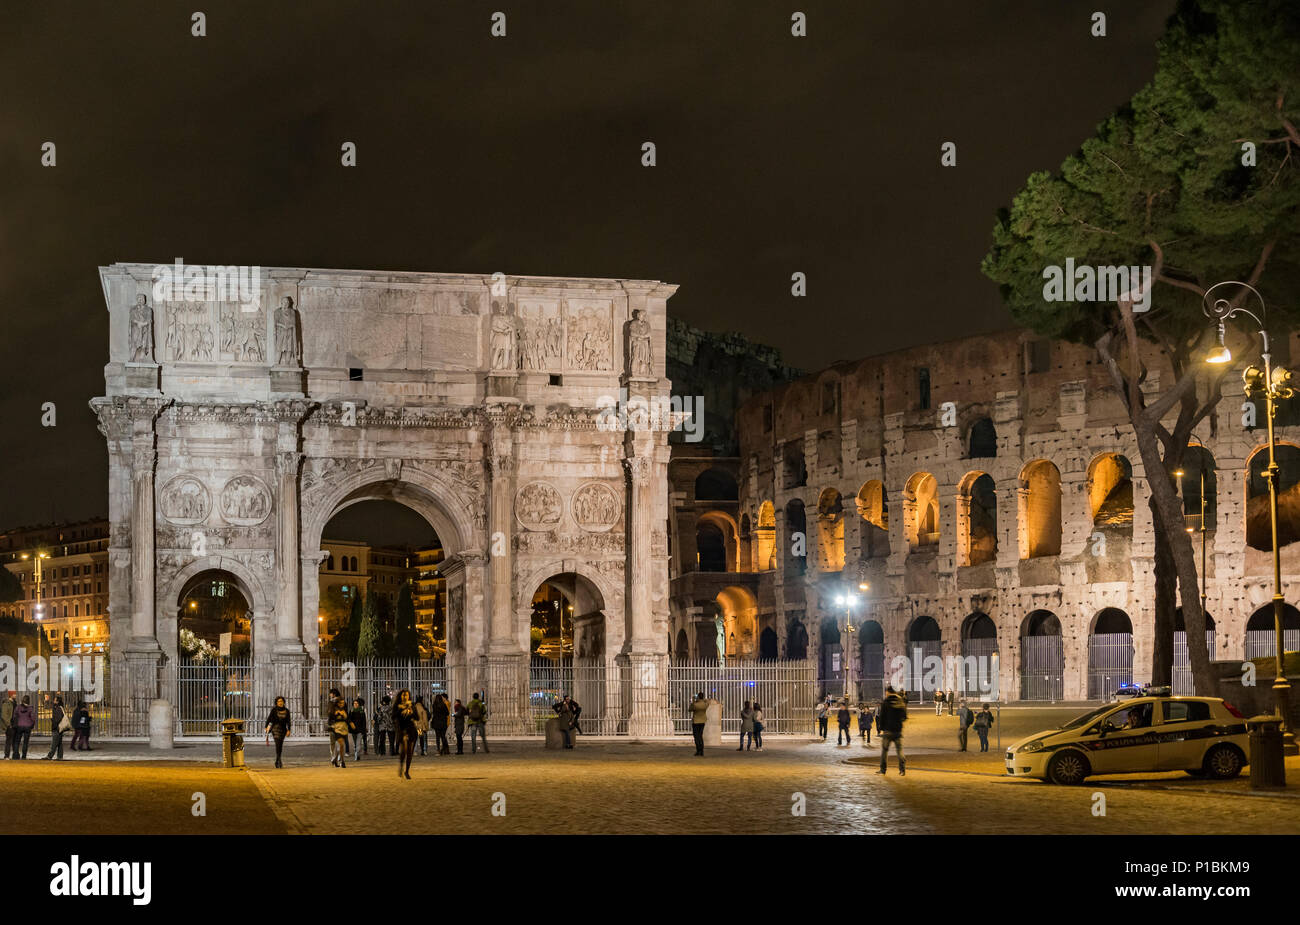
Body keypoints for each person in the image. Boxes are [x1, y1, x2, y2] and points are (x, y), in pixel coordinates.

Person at [877, 685, 907, 776]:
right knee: (899, 750)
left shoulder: (886, 702)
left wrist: (881, 728)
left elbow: (882, 716)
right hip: (897, 730)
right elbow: (904, 716)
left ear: (888, 692)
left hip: (888, 730)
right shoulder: (900, 701)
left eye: (886, 692)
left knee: (884, 750)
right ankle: (902, 769)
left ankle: (883, 769)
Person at [393, 689, 418, 779]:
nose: (405, 697)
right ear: (400, 696)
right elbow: (393, 716)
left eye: (406, 695)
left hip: (411, 729)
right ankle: (401, 765)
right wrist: (401, 710)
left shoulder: (412, 705)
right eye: (403, 695)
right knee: (404, 750)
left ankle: (407, 771)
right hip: (402, 730)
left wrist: (411, 712)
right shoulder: (397, 706)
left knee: (410, 752)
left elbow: (417, 717)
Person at [265, 696, 291, 768]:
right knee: (277, 743)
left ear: (284, 702)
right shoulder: (274, 710)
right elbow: (269, 718)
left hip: (283, 729)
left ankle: (277, 760)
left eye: (281, 701)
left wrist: (289, 730)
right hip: (275, 729)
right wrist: (266, 727)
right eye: (279, 701)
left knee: (280, 744)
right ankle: (279, 760)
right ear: (276, 703)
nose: (280, 703)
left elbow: (288, 721)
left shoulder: (287, 711)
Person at [328, 697, 351, 767]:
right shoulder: (332, 710)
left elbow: (347, 719)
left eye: (343, 703)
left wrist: (345, 716)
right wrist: (336, 715)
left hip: (343, 729)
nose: (342, 704)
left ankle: (338, 760)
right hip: (335, 729)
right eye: (340, 703)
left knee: (341, 746)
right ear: (337, 703)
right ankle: (340, 760)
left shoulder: (345, 710)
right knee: (339, 745)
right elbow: (329, 721)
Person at [43, 696, 68, 760]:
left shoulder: (58, 708)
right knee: (59, 743)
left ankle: (49, 756)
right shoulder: (58, 707)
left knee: (54, 743)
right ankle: (60, 757)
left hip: (57, 728)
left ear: (57, 701)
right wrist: (46, 701)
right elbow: (47, 707)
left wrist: (53, 720)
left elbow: (58, 718)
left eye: (55, 700)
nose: (53, 701)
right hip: (59, 728)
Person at [348, 697, 368, 761]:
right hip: (353, 730)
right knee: (354, 744)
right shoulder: (351, 711)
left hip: (360, 730)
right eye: (354, 703)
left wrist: (364, 729)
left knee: (358, 743)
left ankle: (356, 755)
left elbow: (364, 721)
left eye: (356, 703)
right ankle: (357, 754)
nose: (355, 704)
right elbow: (348, 720)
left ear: (359, 704)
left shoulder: (361, 711)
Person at [690, 692, 709, 756]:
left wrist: (693, 701)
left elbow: (690, 709)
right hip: (702, 721)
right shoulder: (705, 704)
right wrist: (702, 700)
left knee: (696, 737)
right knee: (700, 736)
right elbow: (707, 701)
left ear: (698, 696)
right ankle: (702, 750)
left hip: (696, 721)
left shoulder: (695, 704)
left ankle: (698, 750)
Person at [2, 690, 15, 759]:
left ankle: (11, 755)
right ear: (11, 695)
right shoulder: (7, 703)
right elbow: (4, 715)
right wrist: (8, 724)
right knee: (9, 740)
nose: (16, 695)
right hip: (9, 725)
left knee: (11, 740)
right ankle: (6, 755)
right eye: (14, 694)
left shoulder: (13, 702)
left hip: (12, 724)